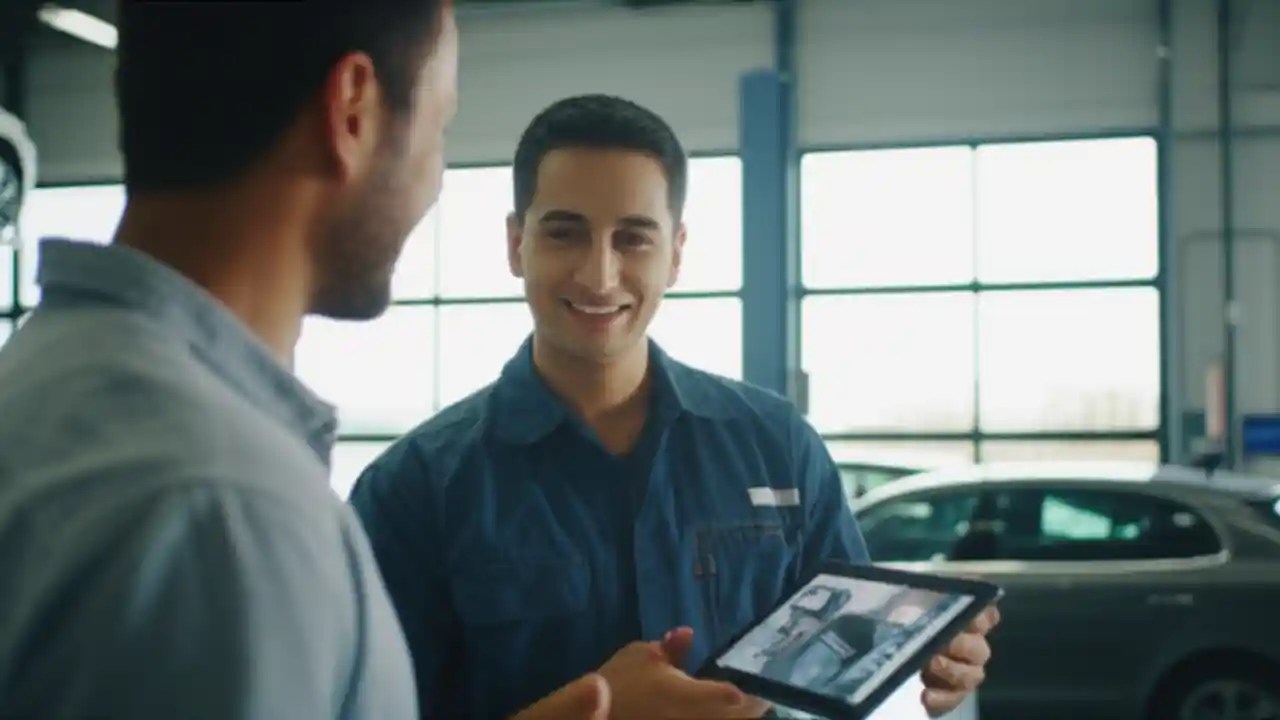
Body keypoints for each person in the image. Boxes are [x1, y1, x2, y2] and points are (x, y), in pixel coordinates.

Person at [0, 3, 609, 719]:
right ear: (352, 110)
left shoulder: (47, 388)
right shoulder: (228, 514)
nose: (435, 179)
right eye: (439, 128)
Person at [348, 93, 1001, 720]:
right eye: (565, 233)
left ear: (676, 254)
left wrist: (922, 657)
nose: (599, 276)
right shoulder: (415, 488)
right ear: (517, 245)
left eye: (633, 238)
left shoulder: (775, 444)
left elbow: (842, 668)